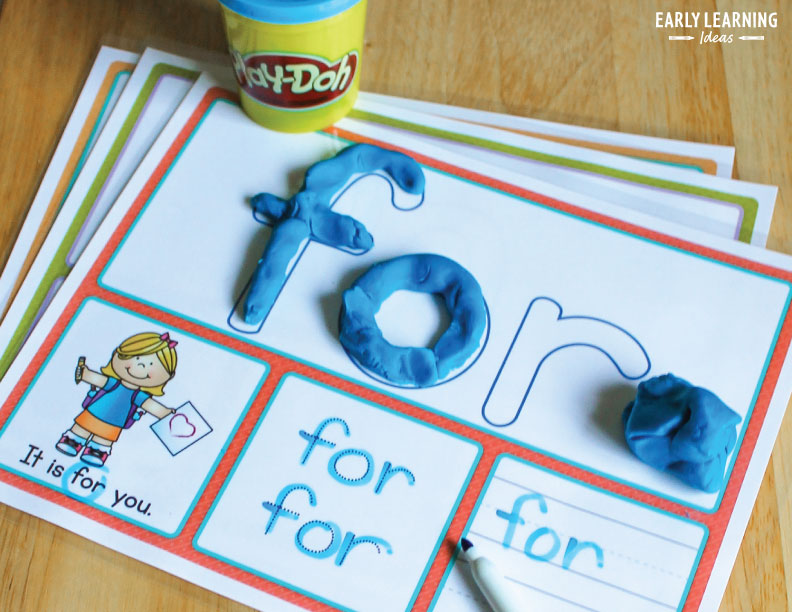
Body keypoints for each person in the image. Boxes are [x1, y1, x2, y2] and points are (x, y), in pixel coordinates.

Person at [56, 332, 178, 466]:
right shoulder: (113, 382)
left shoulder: (138, 395)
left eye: (151, 364)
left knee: (104, 438)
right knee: (81, 428)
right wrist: (85, 374)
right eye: (137, 358)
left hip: (115, 422)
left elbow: (150, 405)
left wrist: (165, 413)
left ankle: (95, 452)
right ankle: (72, 441)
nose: (141, 366)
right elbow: (97, 379)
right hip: (94, 411)